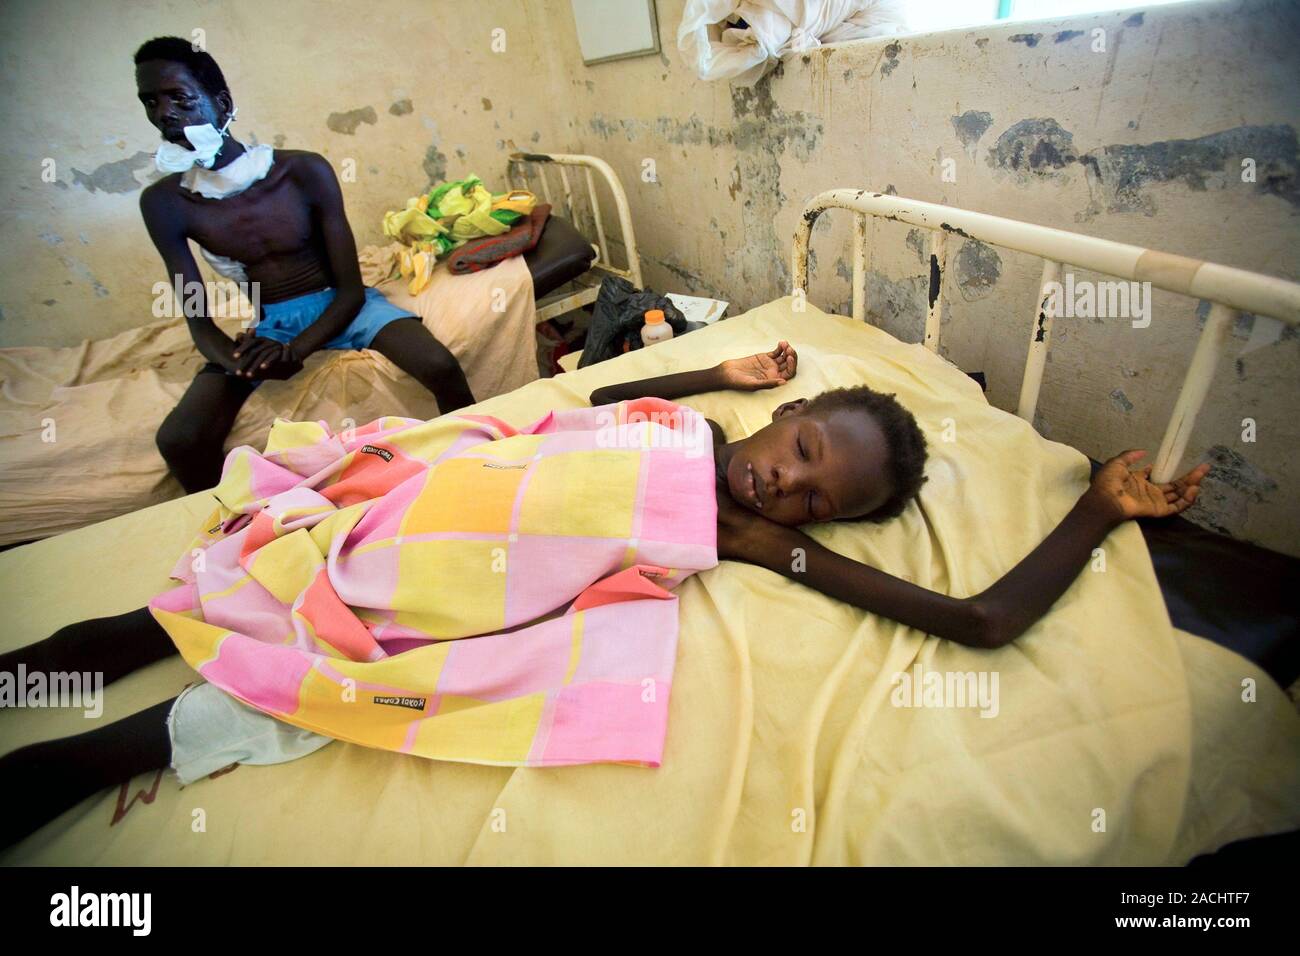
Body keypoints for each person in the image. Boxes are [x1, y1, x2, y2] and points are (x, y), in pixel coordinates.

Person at [0, 342, 1209, 847]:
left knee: (267, 690)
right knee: (163, 606)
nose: (779, 485)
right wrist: (711, 365)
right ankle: (57, 661)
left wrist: (1097, 508)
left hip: (453, 596)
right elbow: (573, 417)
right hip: (431, 501)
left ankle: (78, 764)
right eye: (796, 452)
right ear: (783, 413)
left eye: (809, 500)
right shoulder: (684, 418)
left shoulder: (744, 532)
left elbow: (978, 621)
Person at [135, 36, 474, 493]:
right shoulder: (165, 203)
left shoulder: (302, 171)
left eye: (179, 97)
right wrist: (240, 363)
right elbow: (199, 320)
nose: (164, 114)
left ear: (221, 103)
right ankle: (232, 531)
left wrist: (298, 352)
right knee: (179, 439)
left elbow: (351, 290)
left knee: (440, 366)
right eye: (150, 102)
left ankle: (479, 465)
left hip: (347, 306)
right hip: (273, 323)